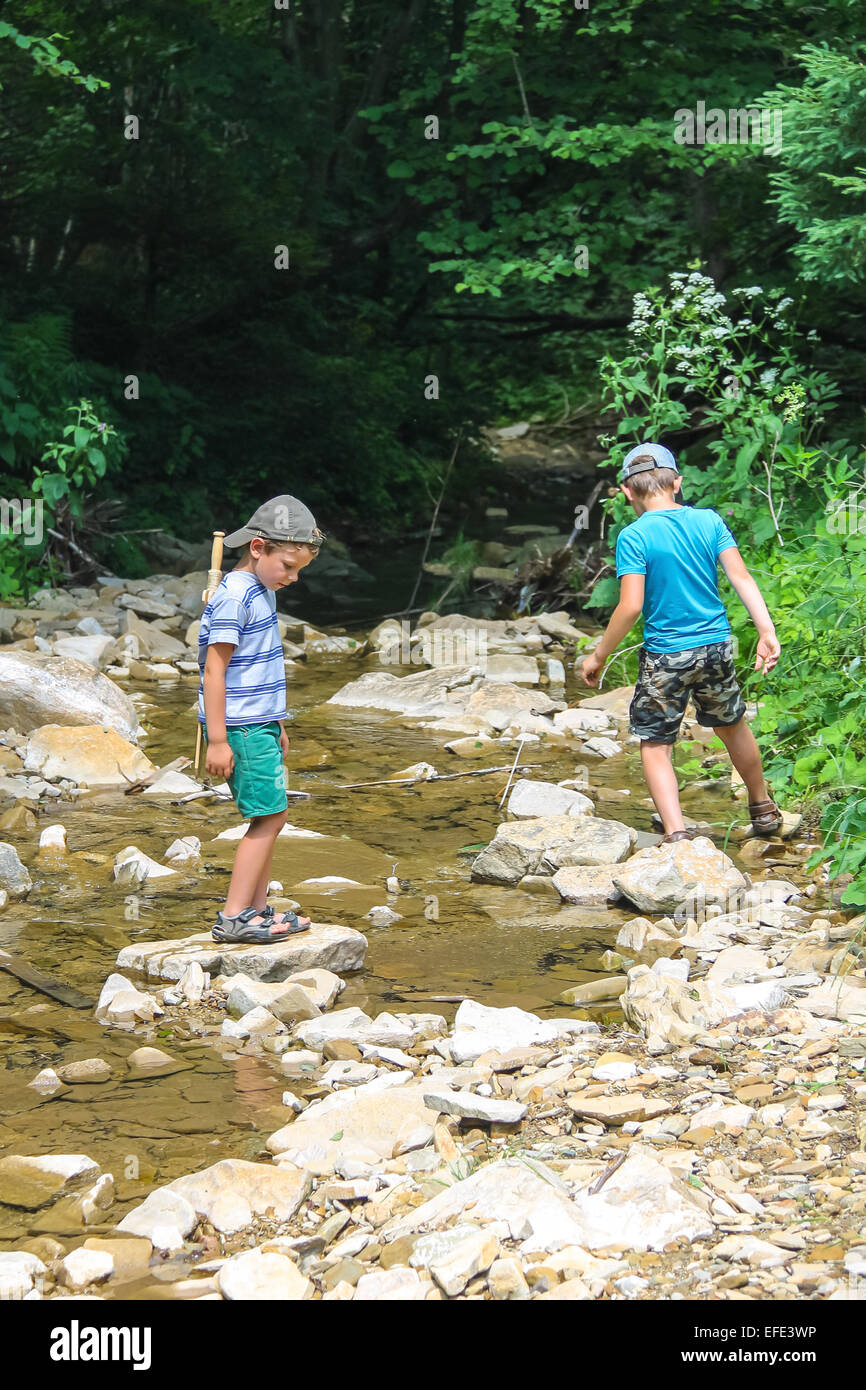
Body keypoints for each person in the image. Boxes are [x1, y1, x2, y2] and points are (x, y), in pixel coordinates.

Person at [580, 442, 782, 842]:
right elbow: (741, 577)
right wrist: (766, 630)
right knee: (732, 725)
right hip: (716, 647)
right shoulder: (708, 521)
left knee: (655, 744)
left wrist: (599, 654)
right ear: (678, 483)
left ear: (626, 491)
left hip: (667, 654)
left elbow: (631, 606)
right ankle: (762, 807)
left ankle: (676, 834)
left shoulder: (633, 536)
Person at [199, 494, 325, 941]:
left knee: (270, 815)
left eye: (298, 571)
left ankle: (257, 909)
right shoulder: (235, 597)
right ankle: (234, 917)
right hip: (240, 727)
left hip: (261, 722)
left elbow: (260, 666)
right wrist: (218, 740)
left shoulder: (261, 590)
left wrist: (279, 722)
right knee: (270, 817)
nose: (292, 577)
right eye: (287, 566)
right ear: (257, 548)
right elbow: (215, 669)